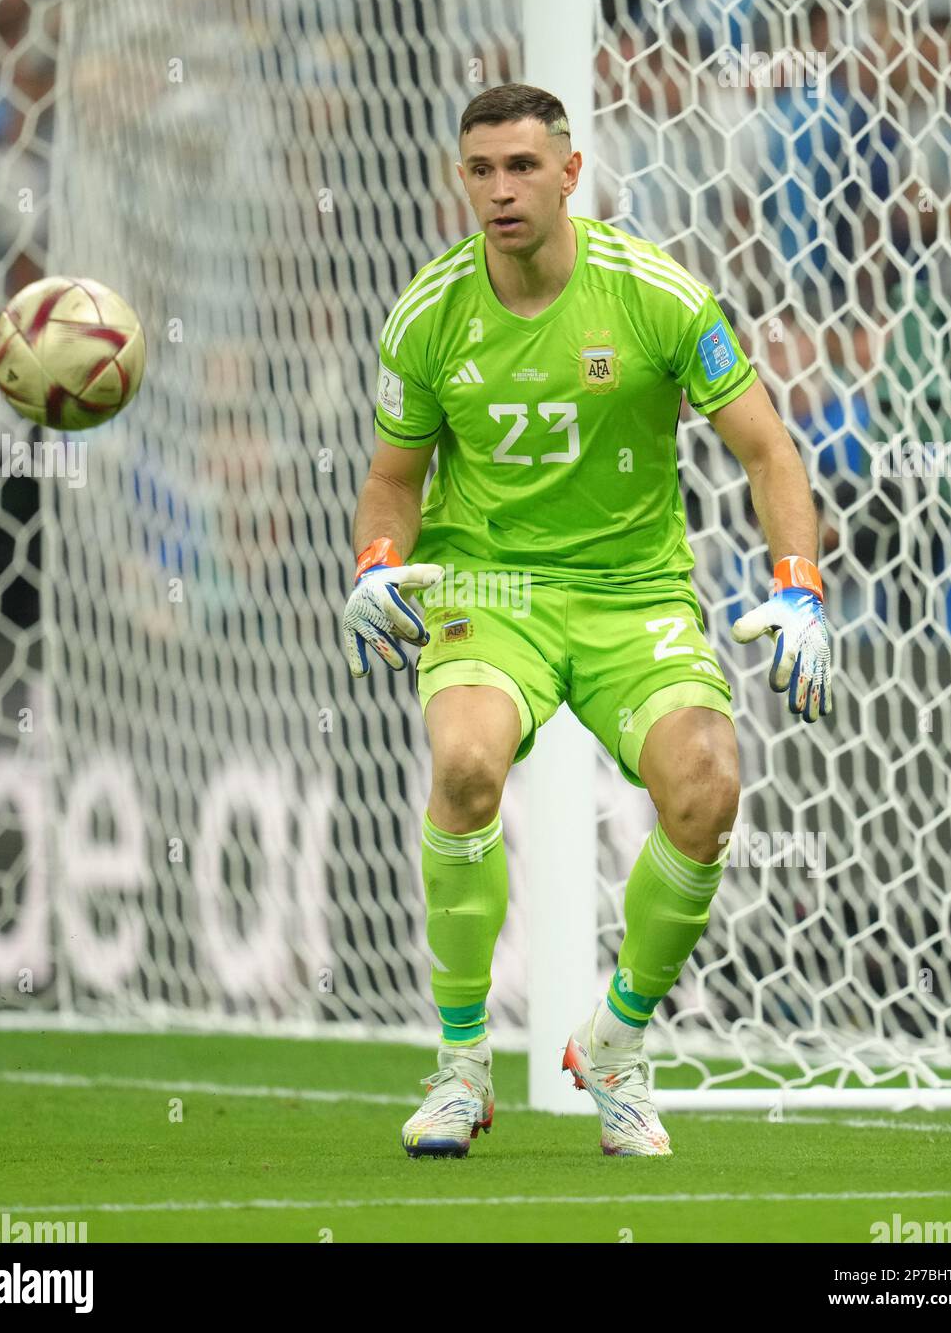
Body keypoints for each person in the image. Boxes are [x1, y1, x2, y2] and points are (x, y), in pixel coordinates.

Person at [344, 83, 832, 1158]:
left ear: (571, 173)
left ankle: (613, 1040)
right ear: (459, 178)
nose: (502, 189)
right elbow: (392, 478)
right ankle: (464, 1067)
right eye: (482, 170)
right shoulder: (428, 315)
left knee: (709, 787)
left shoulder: (655, 295)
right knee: (466, 765)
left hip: (633, 595)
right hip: (489, 591)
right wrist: (380, 564)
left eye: (523, 167)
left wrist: (798, 582)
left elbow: (767, 450)